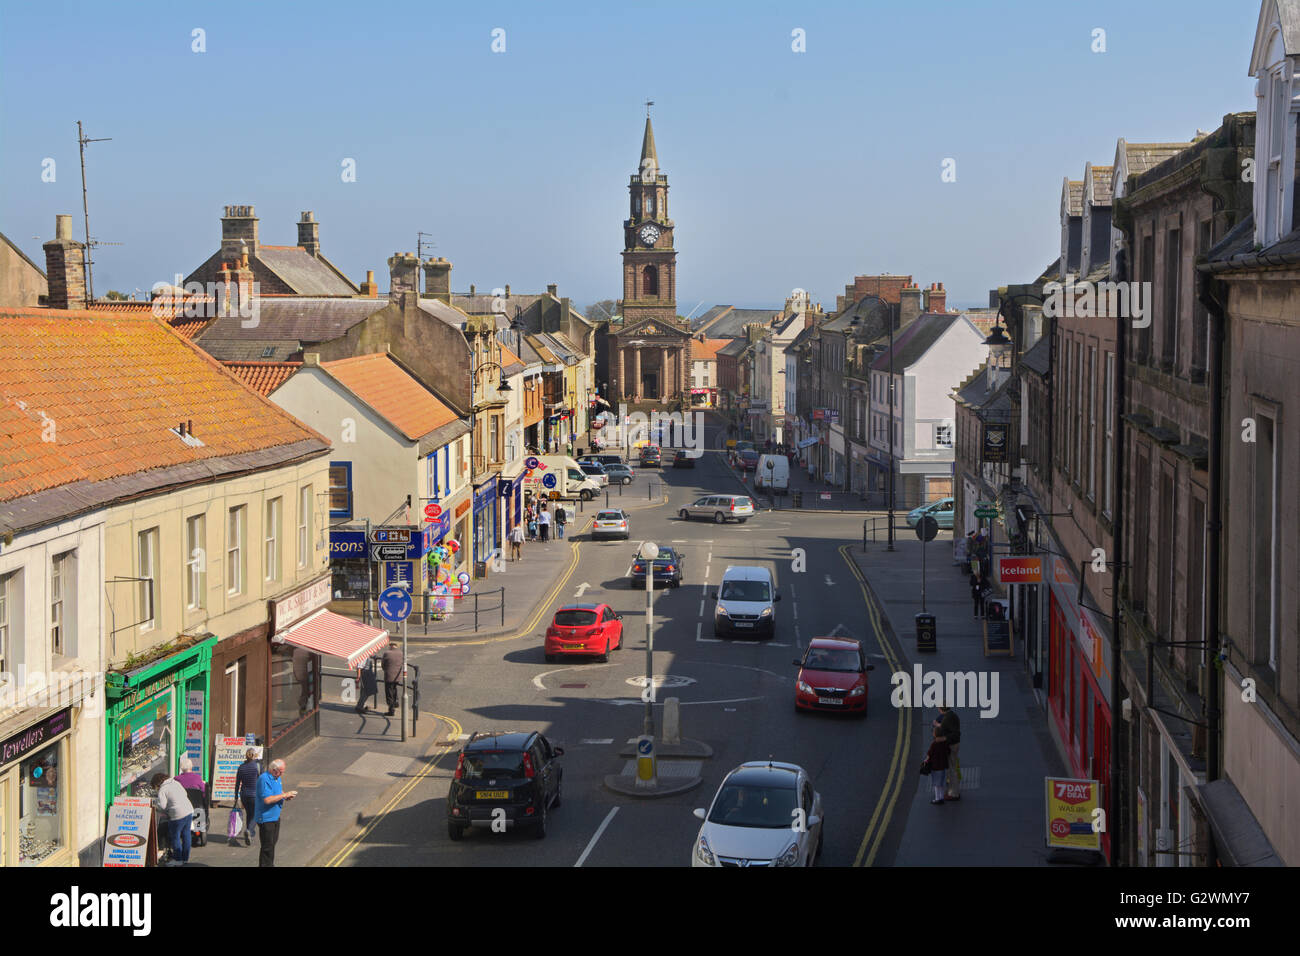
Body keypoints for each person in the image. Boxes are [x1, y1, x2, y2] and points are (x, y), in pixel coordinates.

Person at [256, 759, 298, 867]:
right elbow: (267, 800)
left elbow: (278, 792)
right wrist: (284, 795)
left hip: (275, 817)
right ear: (274, 770)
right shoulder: (264, 779)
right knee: (267, 847)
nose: (282, 774)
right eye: (281, 771)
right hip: (266, 818)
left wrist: (286, 796)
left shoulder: (277, 778)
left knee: (272, 845)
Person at [151, 771, 193, 866]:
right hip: (188, 810)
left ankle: (178, 860)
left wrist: (155, 805)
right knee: (186, 835)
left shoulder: (163, 789)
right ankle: (185, 858)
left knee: (175, 837)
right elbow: (185, 793)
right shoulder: (176, 782)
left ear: (157, 783)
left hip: (177, 814)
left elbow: (162, 806)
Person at [232, 749, 260, 846]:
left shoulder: (241, 767)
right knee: (256, 814)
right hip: (254, 795)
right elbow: (261, 780)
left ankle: (249, 834)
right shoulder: (257, 766)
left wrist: (236, 796)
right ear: (254, 756)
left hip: (244, 795)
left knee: (249, 814)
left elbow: (237, 783)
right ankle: (250, 831)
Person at [934, 706, 962, 800]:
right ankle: (952, 790)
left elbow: (954, 733)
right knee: (952, 767)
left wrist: (943, 738)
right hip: (955, 744)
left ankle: (954, 793)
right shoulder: (952, 715)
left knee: (951, 769)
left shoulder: (947, 718)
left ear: (940, 709)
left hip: (951, 745)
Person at [924, 727, 950, 804]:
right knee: (941, 783)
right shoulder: (945, 742)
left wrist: (926, 760)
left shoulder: (934, 744)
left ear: (935, 734)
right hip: (944, 766)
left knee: (936, 784)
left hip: (936, 766)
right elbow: (948, 752)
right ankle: (941, 797)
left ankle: (937, 798)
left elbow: (929, 754)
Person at [382, 644, 405, 717]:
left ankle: (391, 710)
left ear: (391, 646)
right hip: (397, 677)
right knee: (394, 689)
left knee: (389, 693)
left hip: (389, 676)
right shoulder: (401, 653)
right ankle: (396, 702)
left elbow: (383, 665)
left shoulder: (387, 653)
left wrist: (386, 669)